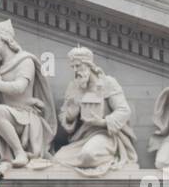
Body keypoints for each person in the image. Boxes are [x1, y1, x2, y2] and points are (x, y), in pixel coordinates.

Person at [0, 19, 56, 174]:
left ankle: (20, 152)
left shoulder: (25, 61)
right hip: (7, 117)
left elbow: (20, 87)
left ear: (3, 41)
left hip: (25, 116)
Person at [52, 47, 138, 176]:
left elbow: (124, 110)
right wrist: (71, 114)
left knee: (89, 154)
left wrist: (102, 122)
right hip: (81, 138)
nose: (75, 71)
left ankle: (113, 156)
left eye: (78, 66)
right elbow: (65, 118)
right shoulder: (74, 87)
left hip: (105, 135)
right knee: (57, 159)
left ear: (88, 65)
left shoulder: (107, 83)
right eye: (73, 67)